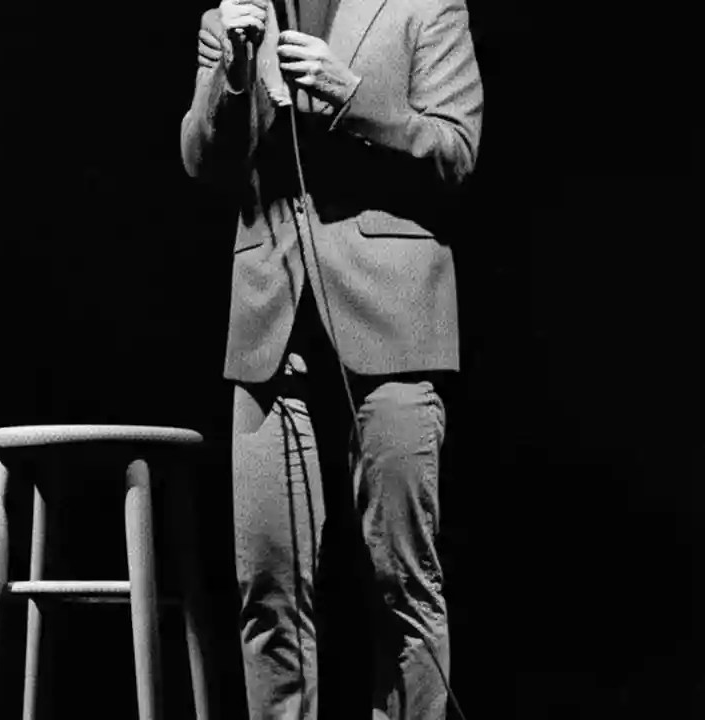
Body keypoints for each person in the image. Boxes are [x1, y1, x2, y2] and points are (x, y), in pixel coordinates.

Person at [180, 1, 483, 719]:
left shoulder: (425, 5)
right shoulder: (231, 19)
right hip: (269, 330)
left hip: (394, 321)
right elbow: (201, 160)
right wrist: (234, 75)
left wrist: (353, 96)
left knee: (403, 586)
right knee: (267, 594)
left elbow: (456, 150)